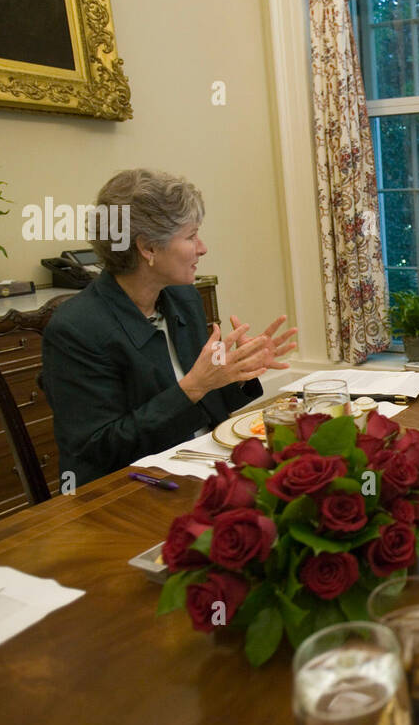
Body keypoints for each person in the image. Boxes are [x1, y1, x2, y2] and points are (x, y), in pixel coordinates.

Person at [42, 169, 296, 487]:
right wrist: (192, 387)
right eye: (190, 236)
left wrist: (238, 370)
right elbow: (100, 448)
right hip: (129, 491)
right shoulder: (76, 329)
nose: (202, 248)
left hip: (202, 466)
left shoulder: (182, 297)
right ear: (148, 248)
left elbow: (207, 406)